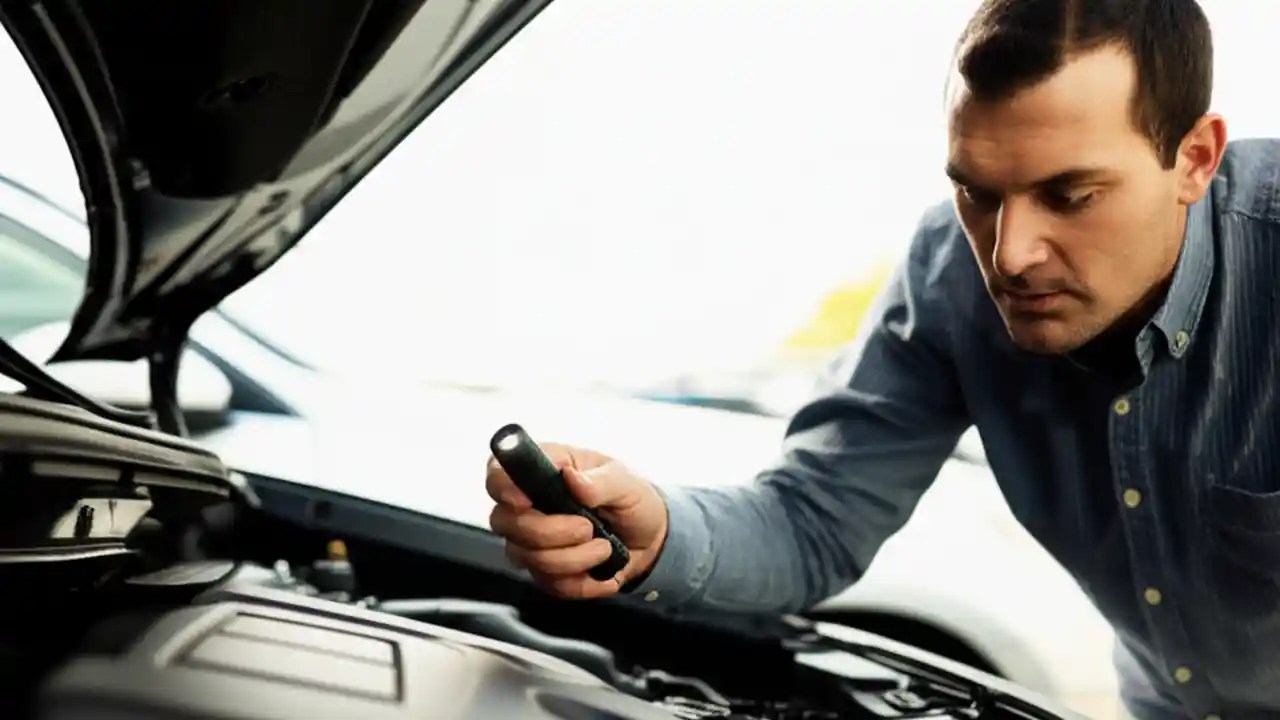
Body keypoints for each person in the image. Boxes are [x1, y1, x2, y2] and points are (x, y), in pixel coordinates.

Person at [485, 0, 1280, 717]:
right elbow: (814, 521)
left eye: (1071, 196)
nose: (1010, 255)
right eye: (978, 192)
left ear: (1195, 159)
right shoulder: (949, 273)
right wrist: (658, 530)